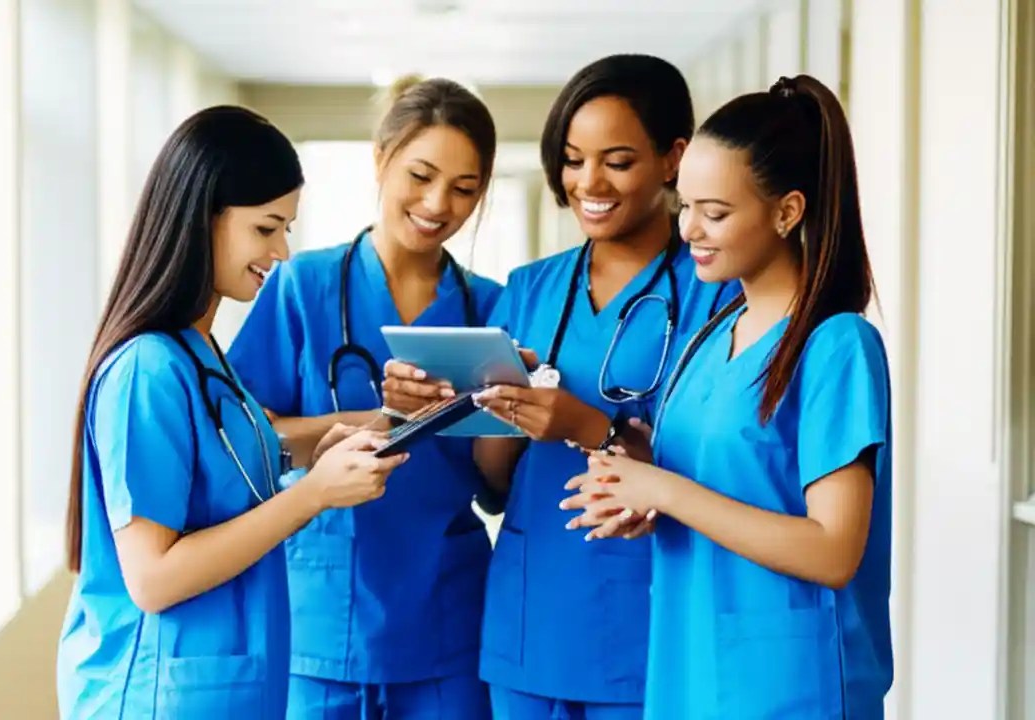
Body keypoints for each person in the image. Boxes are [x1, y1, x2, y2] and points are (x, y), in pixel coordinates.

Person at [387, 54, 737, 719]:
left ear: (674, 159)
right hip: (530, 621)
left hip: (650, 619)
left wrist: (586, 425)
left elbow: (717, 468)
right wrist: (486, 406)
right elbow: (493, 485)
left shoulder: (716, 296)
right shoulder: (530, 289)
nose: (589, 182)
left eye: (617, 160)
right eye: (573, 160)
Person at [55, 106, 408, 720]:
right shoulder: (149, 368)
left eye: (286, 229)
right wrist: (315, 495)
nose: (281, 251)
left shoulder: (203, 353)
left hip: (223, 686)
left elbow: (237, 474)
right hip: (157, 694)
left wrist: (359, 437)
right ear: (204, 217)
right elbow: (153, 578)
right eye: (266, 228)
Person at [563, 74, 894, 719]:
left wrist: (665, 492)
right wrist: (638, 488)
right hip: (691, 664)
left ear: (786, 211)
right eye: (683, 205)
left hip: (791, 684)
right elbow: (716, 482)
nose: (689, 230)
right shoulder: (711, 335)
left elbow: (833, 550)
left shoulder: (835, 345)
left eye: (715, 213)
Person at [227, 76, 502, 720]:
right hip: (321, 621)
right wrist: (376, 419)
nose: (439, 204)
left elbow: (497, 488)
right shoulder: (299, 285)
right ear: (380, 159)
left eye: (465, 189)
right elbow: (244, 441)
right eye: (421, 175)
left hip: (447, 622)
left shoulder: (490, 309)